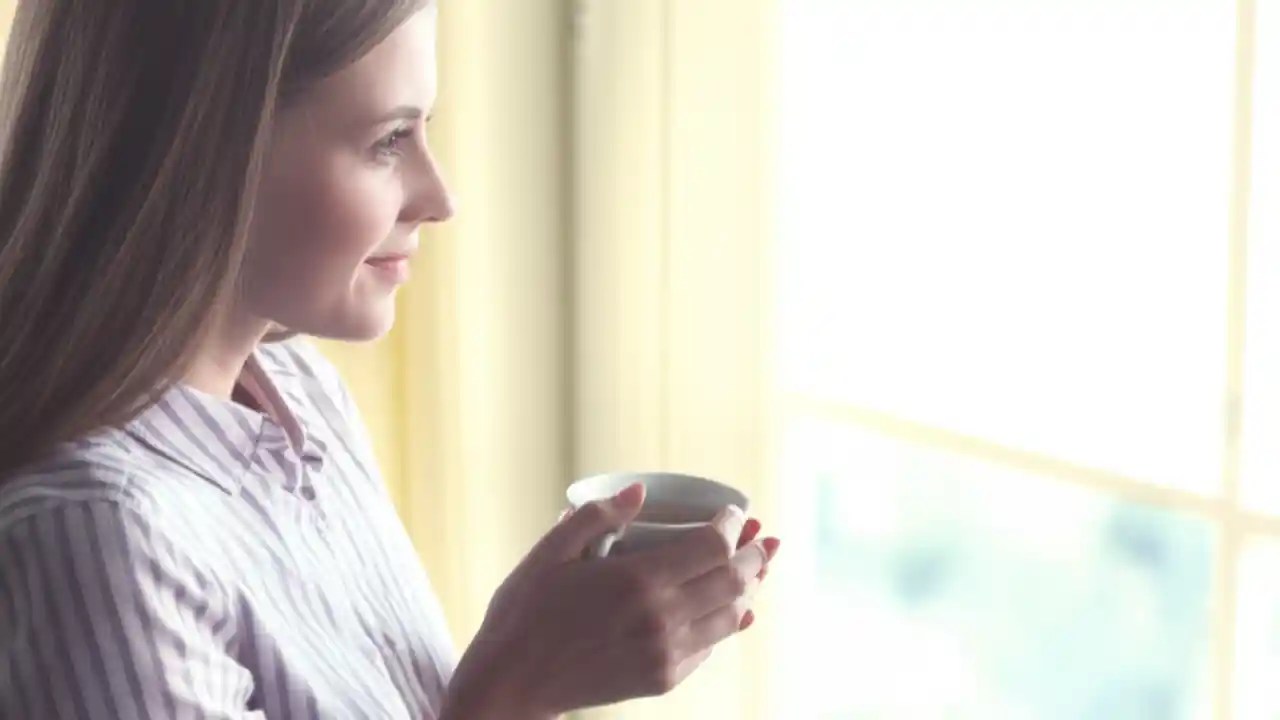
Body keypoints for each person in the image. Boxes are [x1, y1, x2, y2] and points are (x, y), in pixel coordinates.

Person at [0, 1, 780, 718]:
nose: (440, 195)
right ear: (201, 152)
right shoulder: (101, 540)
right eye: (388, 141)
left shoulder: (303, 399)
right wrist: (515, 688)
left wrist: (544, 645)